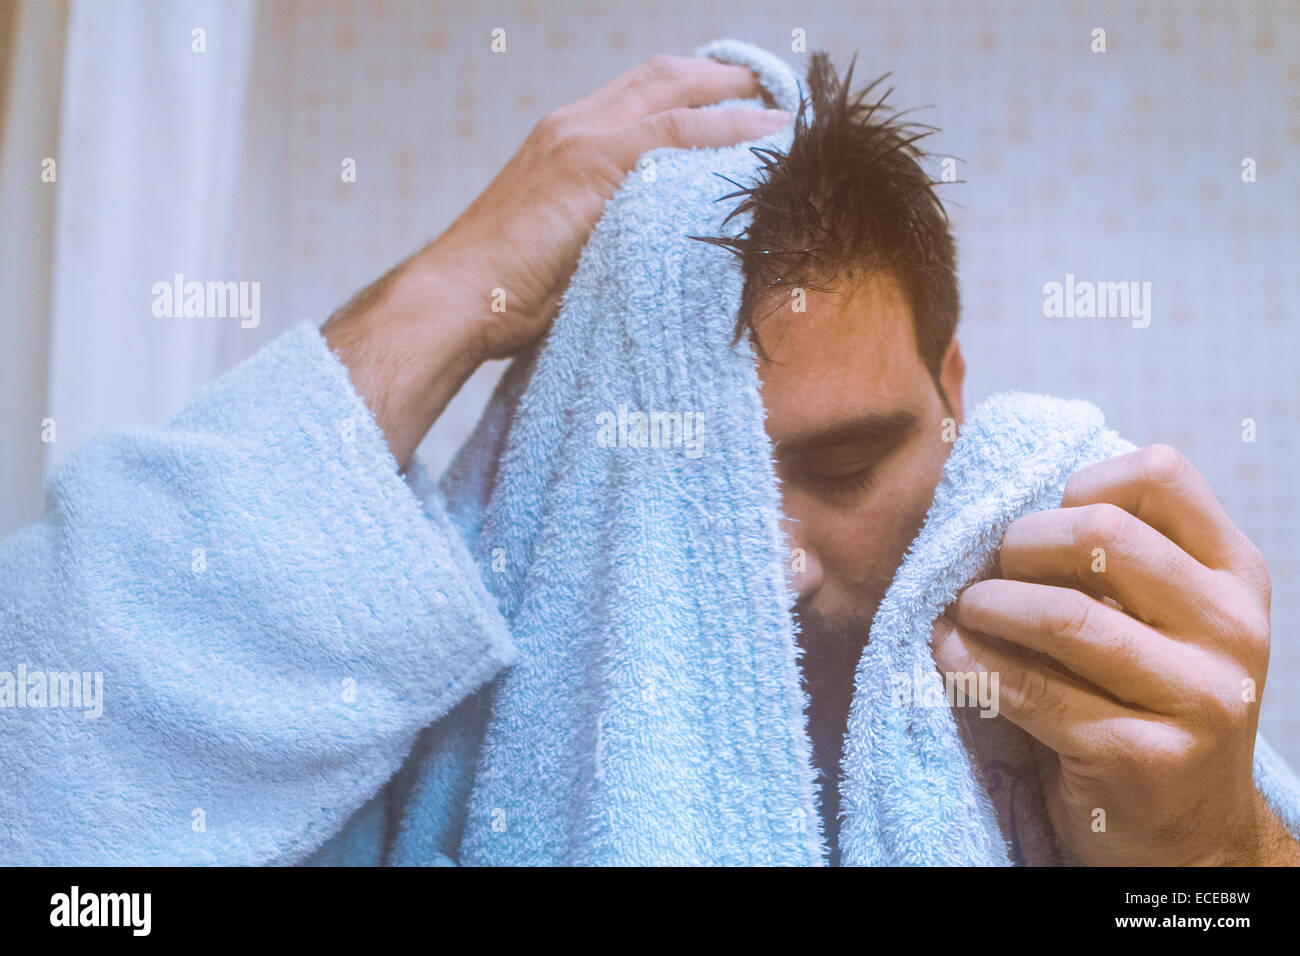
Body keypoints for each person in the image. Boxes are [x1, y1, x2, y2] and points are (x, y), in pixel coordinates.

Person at [2, 51, 1297, 865]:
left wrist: (1213, 859)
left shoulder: (1097, 692)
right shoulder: (433, 744)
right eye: (701, 491)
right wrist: (451, 287)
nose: (777, 558)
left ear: (955, 395)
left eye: (845, 470)